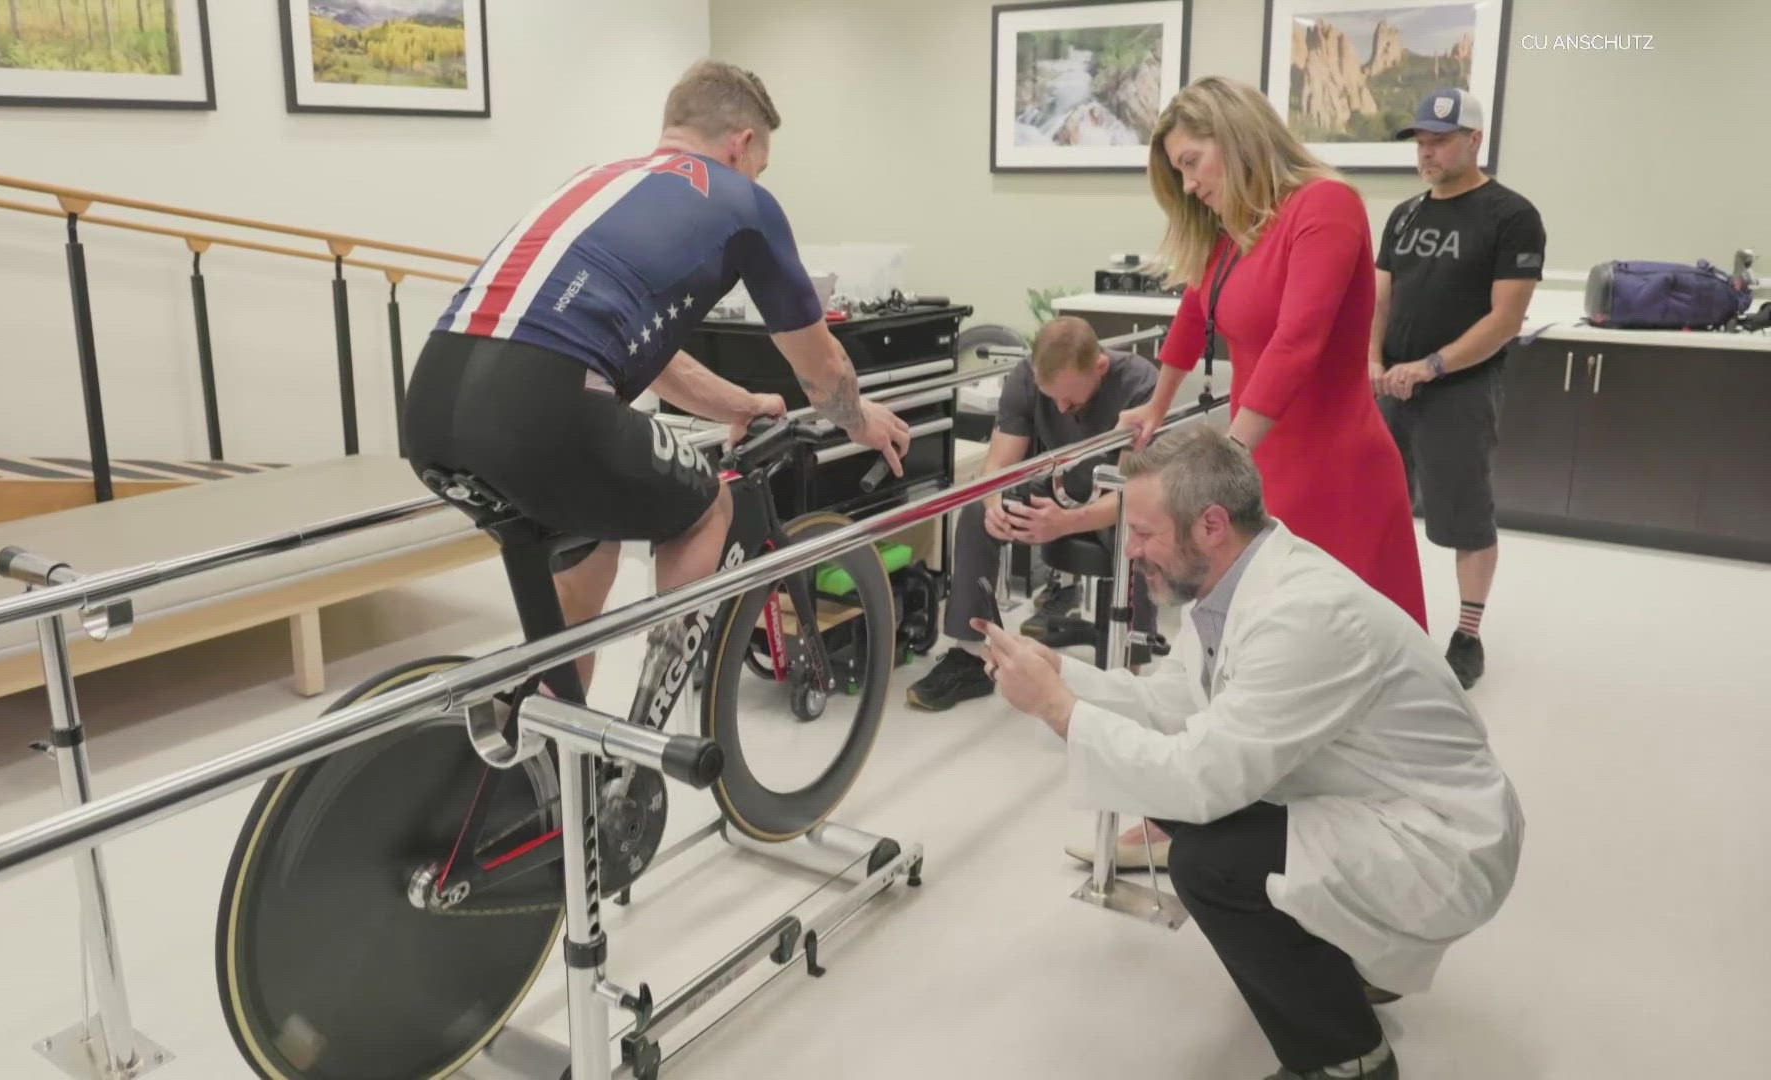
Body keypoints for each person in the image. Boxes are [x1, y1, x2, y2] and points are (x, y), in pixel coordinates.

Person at [976, 425, 1523, 1080]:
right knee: (1194, 822)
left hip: (1441, 841)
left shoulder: (1303, 613)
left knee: (1212, 863)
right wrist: (1061, 678)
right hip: (1373, 801)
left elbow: (1202, 778)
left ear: (1210, 525)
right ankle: (1339, 964)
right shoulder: (1234, 589)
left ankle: (1348, 1059)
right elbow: (1172, 708)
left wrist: (1056, 710)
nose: (1132, 550)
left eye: (1145, 533)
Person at [401, 60, 910, 695]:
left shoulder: (597, 179)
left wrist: (739, 403)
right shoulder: (745, 203)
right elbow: (821, 367)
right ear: (742, 142)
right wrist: (859, 419)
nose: (756, 175)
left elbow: (642, 354)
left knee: (586, 564)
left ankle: (557, 767)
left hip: (429, 408)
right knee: (706, 507)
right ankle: (649, 725)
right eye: (760, 162)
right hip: (546, 412)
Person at [1088, 75, 1431, 874]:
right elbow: (1191, 317)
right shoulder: (1232, 230)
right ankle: (1202, 811)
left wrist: (1223, 455)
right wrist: (1156, 404)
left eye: (1195, 161)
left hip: (1333, 468)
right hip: (1261, 465)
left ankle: (1362, 839)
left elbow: (1299, 342)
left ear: (1237, 138)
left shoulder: (1326, 205)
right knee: (1232, 647)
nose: (1192, 183)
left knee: (1331, 664)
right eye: (1179, 173)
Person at [1374, 89, 1546, 689]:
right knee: (1379, 507)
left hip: (1459, 390)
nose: (1427, 152)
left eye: (1440, 140)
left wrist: (1431, 366)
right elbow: (1382, 296)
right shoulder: (1405, 215)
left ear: (1475, 140)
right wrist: (1372, 359)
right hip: (1389, 388)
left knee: (1463, 517)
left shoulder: (1510, 215)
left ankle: (1467, 634)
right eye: (1420, 141)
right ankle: (1380, 622)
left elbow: (1505, 320)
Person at [907, 316, 1156, 711]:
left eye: (1071, 402)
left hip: (1118, 500)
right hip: (1058, 487)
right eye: (1051, 398)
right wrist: (993, 505)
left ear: (1100, 367)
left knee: (1144, 534)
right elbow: (998, 469)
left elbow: (1133, 493)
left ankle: (1128, 676)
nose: (1060, 409)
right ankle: (971, 657)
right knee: (975, 512)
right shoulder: (1024, 378)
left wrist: (1068, 521)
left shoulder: (1139, 383)